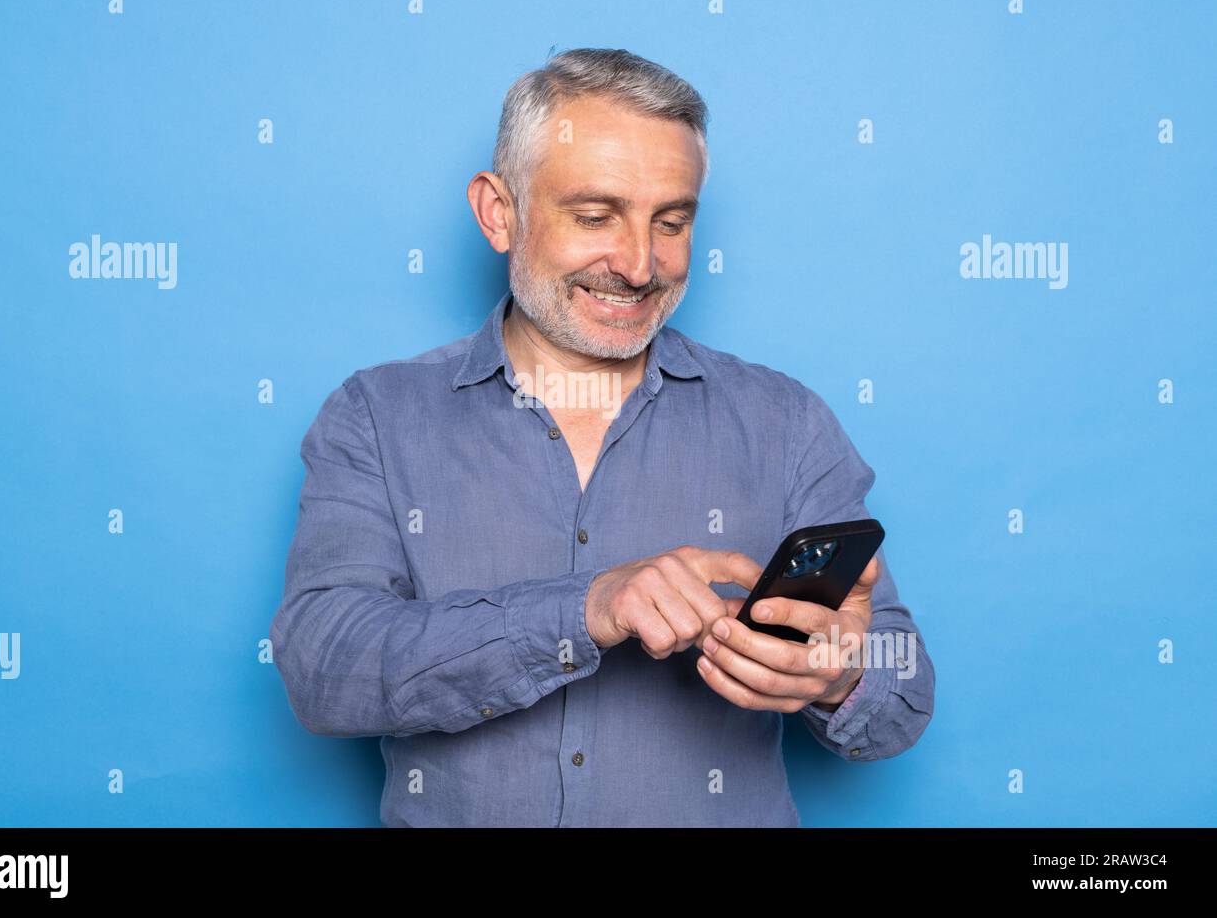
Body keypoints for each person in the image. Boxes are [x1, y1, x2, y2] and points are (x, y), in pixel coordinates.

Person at [270, 47, 934, 827]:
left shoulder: (786, 423)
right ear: (498, 213)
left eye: (671, 222)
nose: (638, 264)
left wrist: (840, 673)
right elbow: (324, 667)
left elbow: (904, 690)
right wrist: (587, 608)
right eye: (594, 217)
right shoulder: (376, 416)